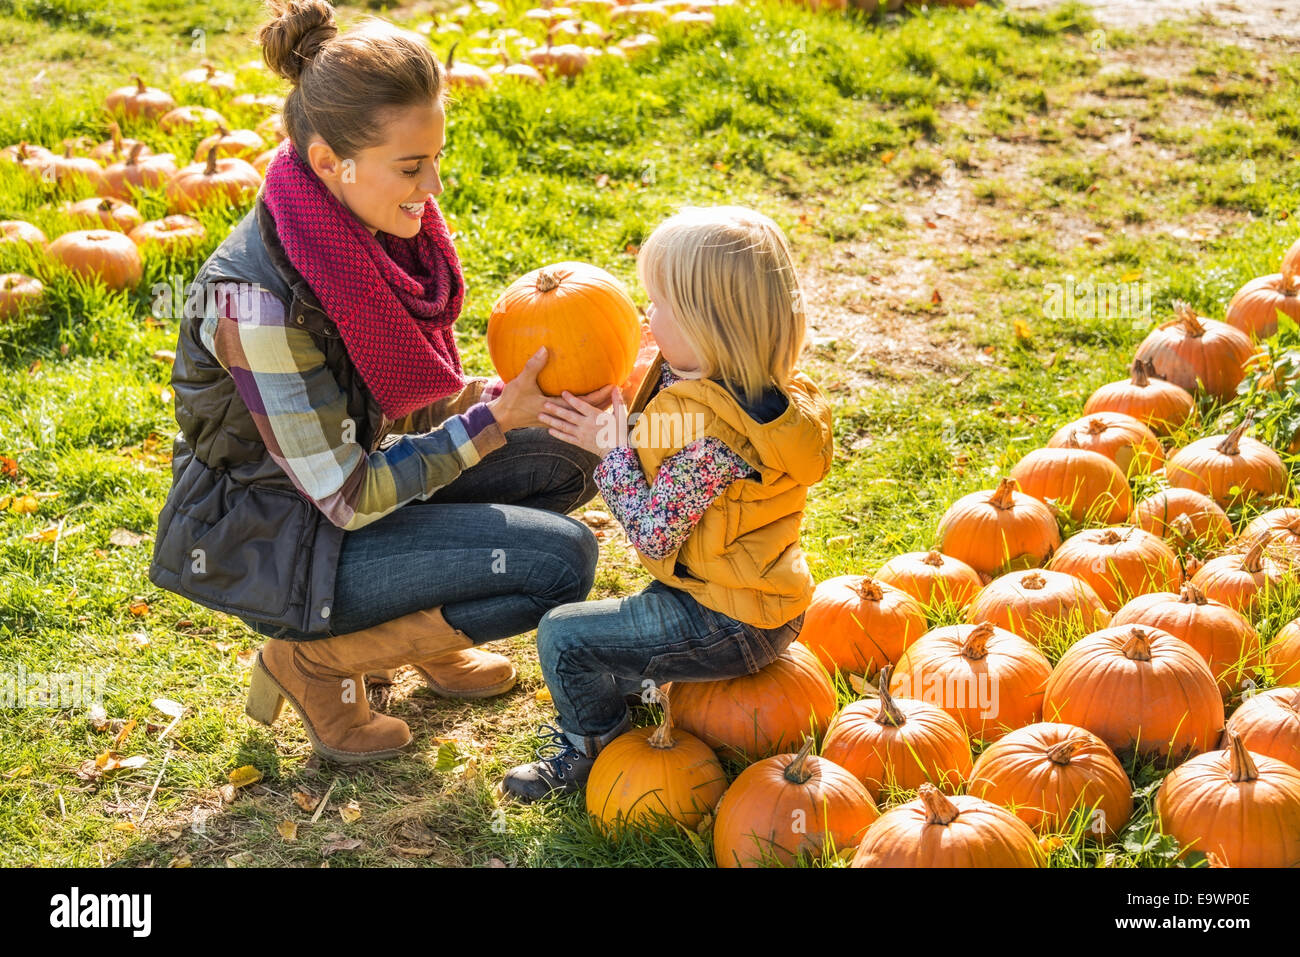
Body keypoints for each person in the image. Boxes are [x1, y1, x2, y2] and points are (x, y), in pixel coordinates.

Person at [147, 0, 612, 764]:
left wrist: (512, 403)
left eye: (434, 158)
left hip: (340, 493)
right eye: (410, 166)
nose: (431, 186)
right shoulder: (256, 305)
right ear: (330, 160)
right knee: (560, 561)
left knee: (568, 452)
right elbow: (347, 493)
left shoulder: (358, 229)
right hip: (281, 536)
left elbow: (403, 399)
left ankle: (417, 631)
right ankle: (316, 660)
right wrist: (490, 425)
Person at [501, 206, 835, 799]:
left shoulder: (717, 440)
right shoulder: (738, 385)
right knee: (620, 632)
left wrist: (609, 453)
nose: (645, 317)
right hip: (730, 590)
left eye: (658, 306)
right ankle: (645, 682)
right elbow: (664, 428)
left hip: (729, 620)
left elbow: (655, 533)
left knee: (563, 636)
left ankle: (591, 749)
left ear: (708, 325)